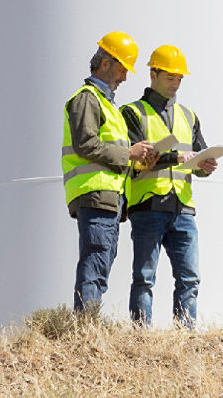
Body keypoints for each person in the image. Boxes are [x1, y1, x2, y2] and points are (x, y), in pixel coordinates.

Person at [122, 44, 218, 327]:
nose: (175, 84)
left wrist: (205, 165)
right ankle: (141, 335)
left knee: (189, 278)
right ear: (152, 75)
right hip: (148, 205)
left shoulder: (189, 116)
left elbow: (198, 153)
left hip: (183, 208)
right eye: (170, 78)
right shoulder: (132, 113)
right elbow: (135, 156)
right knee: (144, 277)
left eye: (179, 79)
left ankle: (184, 336)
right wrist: (177, 156)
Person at [62, 31, 155, 314]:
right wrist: (129, 153)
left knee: (100, 266)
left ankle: (86, 327)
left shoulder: (108, 105)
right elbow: (86, 144)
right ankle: (84, 330)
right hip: (95, 195)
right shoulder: (87, 99)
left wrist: (138, 159)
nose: (125, 77)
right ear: (106, 63)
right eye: (123, 68)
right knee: (95, 265)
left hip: (109, 199)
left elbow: (111, 151)